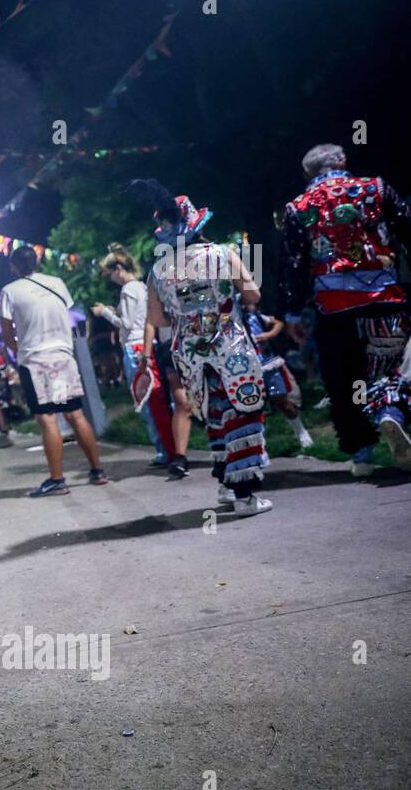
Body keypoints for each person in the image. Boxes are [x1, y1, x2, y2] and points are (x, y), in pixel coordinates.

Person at [133, 181, 272, 515]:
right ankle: (245, 496)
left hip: (191, 355)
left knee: (214, 415)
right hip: (230, 347)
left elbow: (158, 319)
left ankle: (226, 485)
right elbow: (253, 296)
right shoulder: (222, 254)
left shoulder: (157, 271)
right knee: (241, 411)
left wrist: (185, 310)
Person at [279, 143, 411, 474]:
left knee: (343, 380)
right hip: (384, 299)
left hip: (332, 307)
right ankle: (390, 413)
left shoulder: (298, 208)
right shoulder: (375, 189)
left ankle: (361, 455)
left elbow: (294, 265)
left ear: (307, 173)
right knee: (392, 366)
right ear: (343, 162)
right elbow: (407, 228)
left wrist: (294, 312)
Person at [1, 246, 109, 495]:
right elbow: (69, 313)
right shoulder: (57, 283)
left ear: (14, 266)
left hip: (35, 361)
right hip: (63, 357)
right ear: (37, 261)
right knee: (75, 414)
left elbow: (8, 334)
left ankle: (58, 480)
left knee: (48, 419)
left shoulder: (10, 292)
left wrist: (21, 350)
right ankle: (97, 471)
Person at [93, 243, 172, 466]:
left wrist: (105, 312)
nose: (110, 279)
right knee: (157, 400)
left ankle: (162, 450)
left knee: (146, 402)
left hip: (135, 348)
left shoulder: (127, 290)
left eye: (110, 274)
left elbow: (125, 323)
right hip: (148, 344)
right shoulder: (141, 286)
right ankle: (168, 447)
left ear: (118, 268)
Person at [242, 300, 314, 449]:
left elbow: (278, 323)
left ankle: (301, 431)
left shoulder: (256, 317)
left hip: (267, 363)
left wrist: (268, 335)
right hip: (245, 369)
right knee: (252, 405)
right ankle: (258, 442)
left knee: (282, 400)